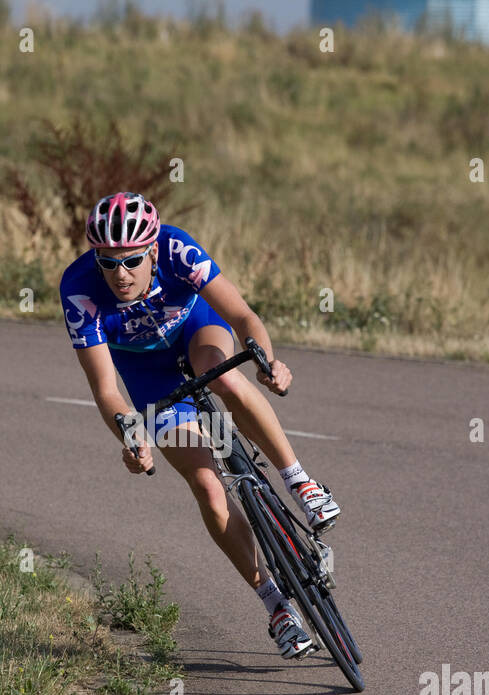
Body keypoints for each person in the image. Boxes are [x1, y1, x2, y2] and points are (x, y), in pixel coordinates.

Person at [60, 191, 341, 659]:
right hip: (149, 374)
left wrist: (267, 362)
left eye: (131, 260)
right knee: (208, 486)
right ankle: (276, 607)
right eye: (108, 263)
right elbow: (107, 390)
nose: (120, 274)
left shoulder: (177, 250)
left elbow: (242, 316)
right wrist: (132, 438)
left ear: (152, 250)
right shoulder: (79, 289)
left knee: (228, 378)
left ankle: (301, 482)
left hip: (197, 331)